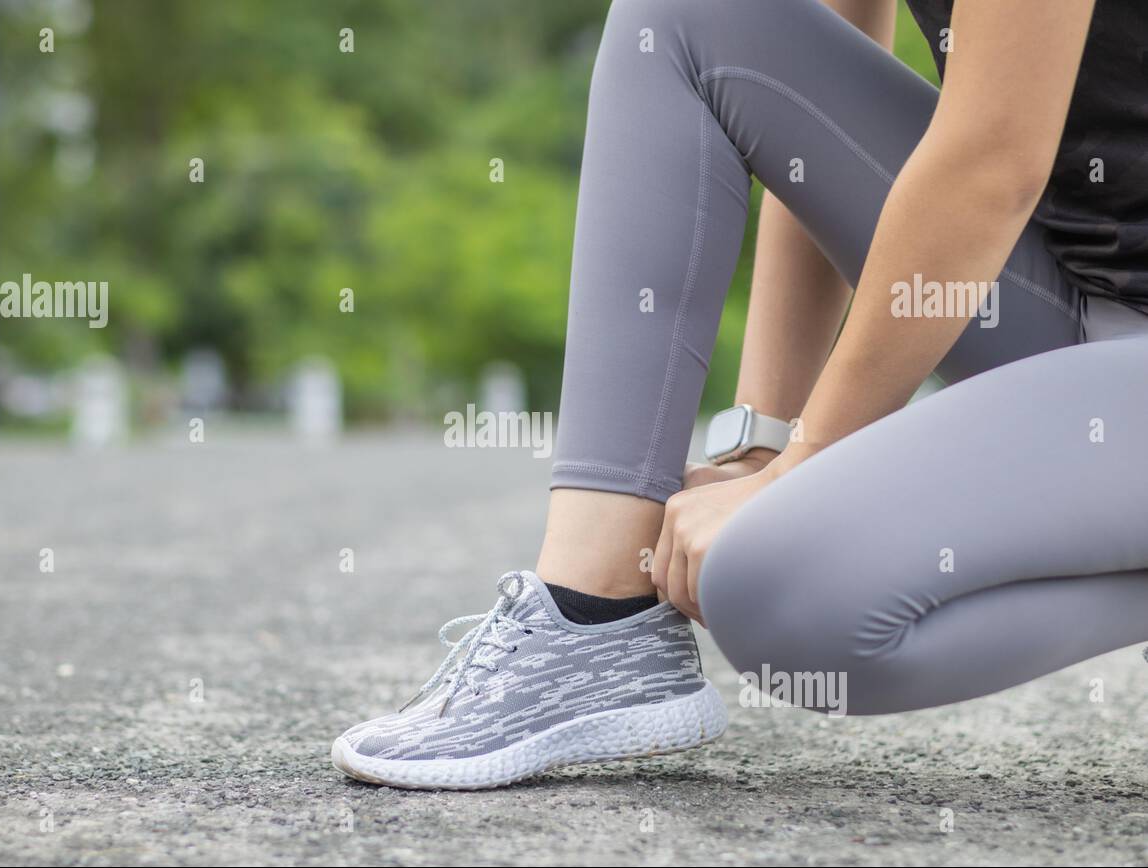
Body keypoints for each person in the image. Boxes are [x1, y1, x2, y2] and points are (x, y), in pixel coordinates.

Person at [333, 0, 1148, 790]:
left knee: (779, 593)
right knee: (684, 17)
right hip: (1066, 307)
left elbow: (991, 160)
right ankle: (593, 613)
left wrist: (809, 462)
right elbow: (805, 147)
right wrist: (764, 442)